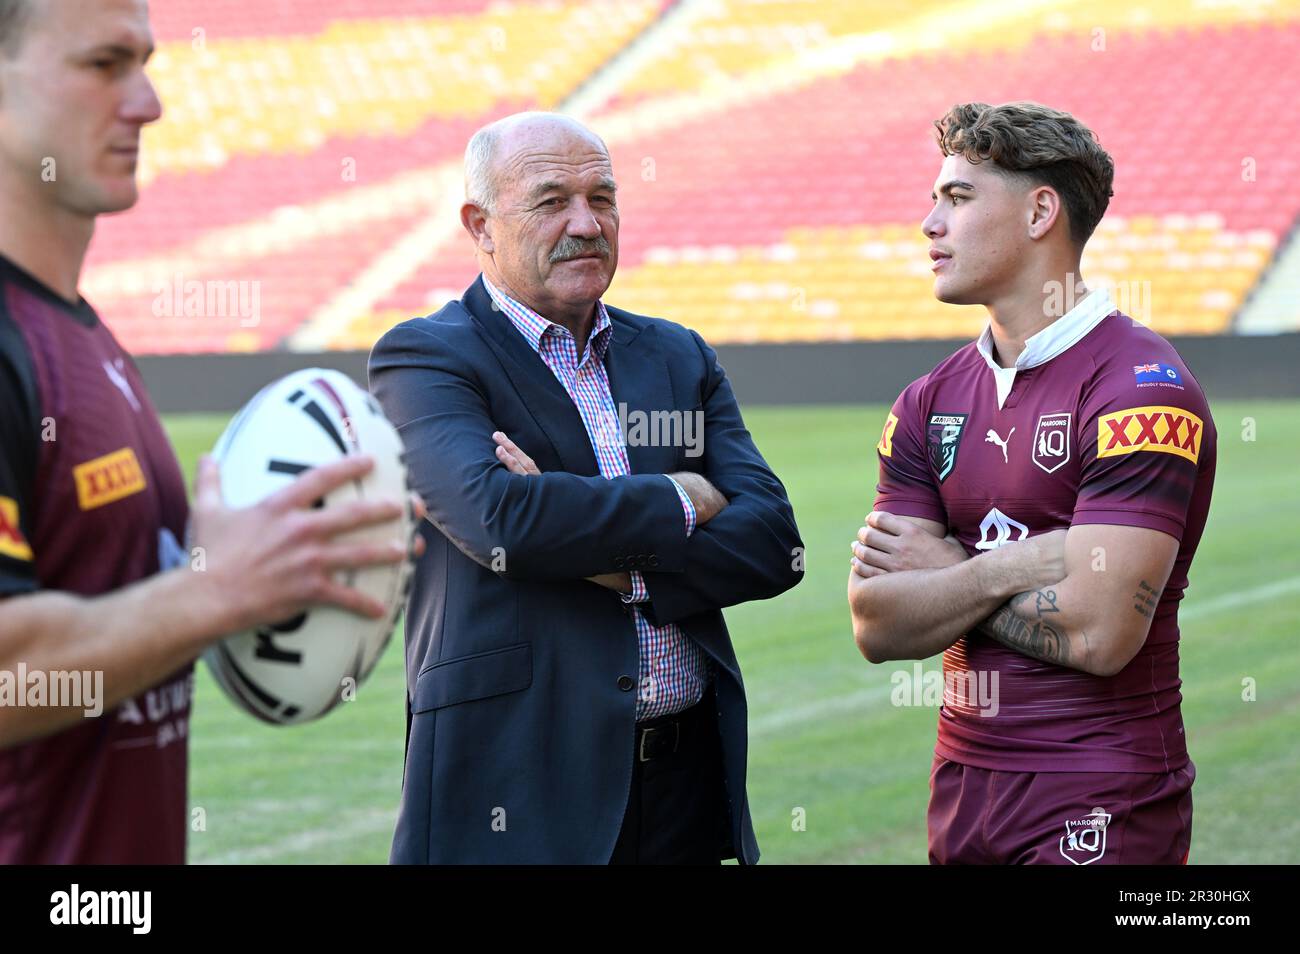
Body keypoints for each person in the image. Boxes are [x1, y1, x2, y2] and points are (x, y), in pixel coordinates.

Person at [0, 0, 416, 863]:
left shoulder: (82, 335)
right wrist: (215, 591)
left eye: (145, 61)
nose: (148, 101)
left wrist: (274, 563)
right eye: (103, 64)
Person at [370, 111, 803, 864]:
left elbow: (773, 542)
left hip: (683, 788)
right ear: (481, 224)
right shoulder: (424, 358)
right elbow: (503, 520)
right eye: (551, 201)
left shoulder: (675, 354)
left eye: (602, 198)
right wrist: (682, 500)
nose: (586, 223)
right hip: (518, 788)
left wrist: (595, 545)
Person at [847, 101, 1216, 865]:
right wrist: (1014, 566)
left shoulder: (1141, 389)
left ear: (1040, 210)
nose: (929, 224)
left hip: (1103, 792)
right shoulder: (928, 399)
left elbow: (1100, 632)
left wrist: (949, 583)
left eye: (957, 198)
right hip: (962, 784)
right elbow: (879, 625)